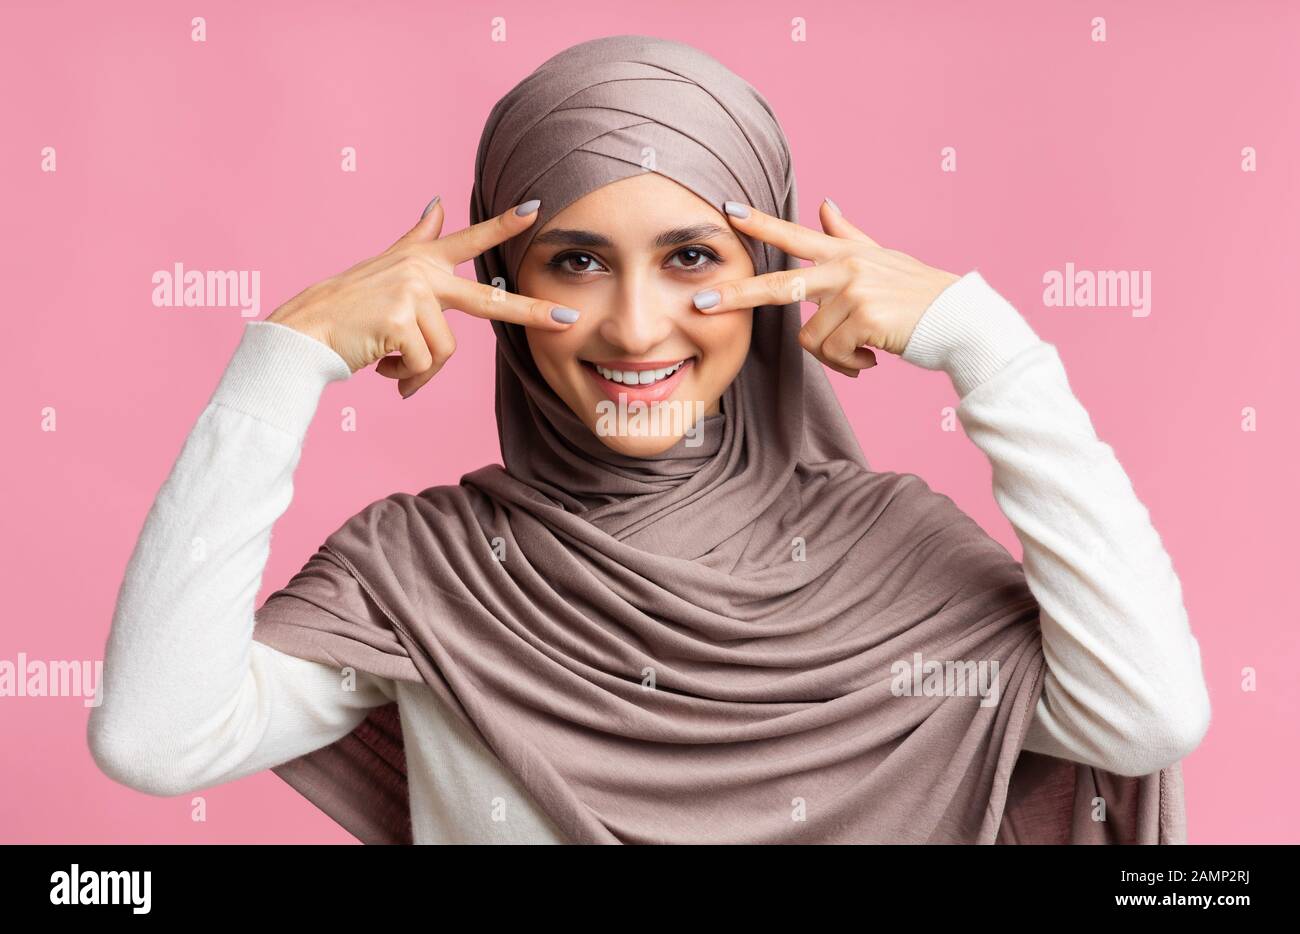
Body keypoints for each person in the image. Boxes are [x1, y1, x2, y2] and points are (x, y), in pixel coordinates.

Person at [87, 34, 1209, 844]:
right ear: (497, 285)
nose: (634, 326)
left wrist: (987, 347)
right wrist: (284, 357)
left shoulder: (891, 545)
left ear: (770, 276)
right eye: (575, 260)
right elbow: (154, 738)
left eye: (692, 258)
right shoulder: (421, 570)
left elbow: (1145, 713)